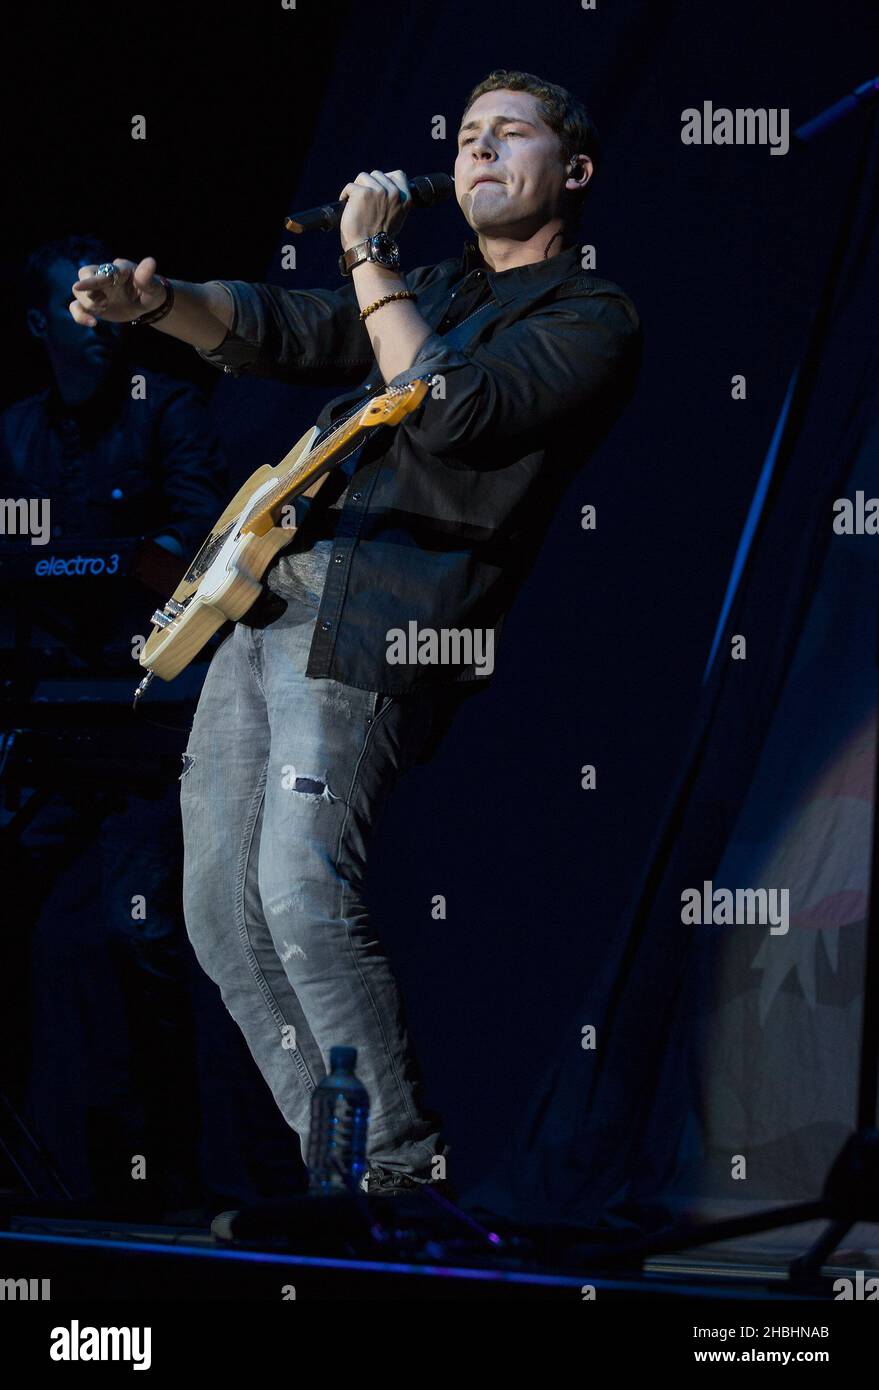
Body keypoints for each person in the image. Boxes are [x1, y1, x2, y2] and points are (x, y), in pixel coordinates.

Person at [68, 70, 643, 1206]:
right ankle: (342, 1179)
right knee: (218, 916)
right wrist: (160, 303)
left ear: (574, 172)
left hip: (376, 622)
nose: (478, 152)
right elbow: (290, 326)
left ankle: (399, 1181)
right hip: (263, 601)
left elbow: (450, 407)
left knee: (298, 890)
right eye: (466, 135)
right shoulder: (436, 286)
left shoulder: (591, 316)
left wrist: (368, 252)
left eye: (510, 135)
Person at [0, 235, 293, 1217]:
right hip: (45, 716)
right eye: (75, 305)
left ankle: (168, 1172)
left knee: (139, 932)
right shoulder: (14, 433)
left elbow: (204, 546)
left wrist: (130, 562)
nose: (95, 322)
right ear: (38, 323)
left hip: (150, 721)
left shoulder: (166, 409)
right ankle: (36, 1173)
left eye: (106, 302)